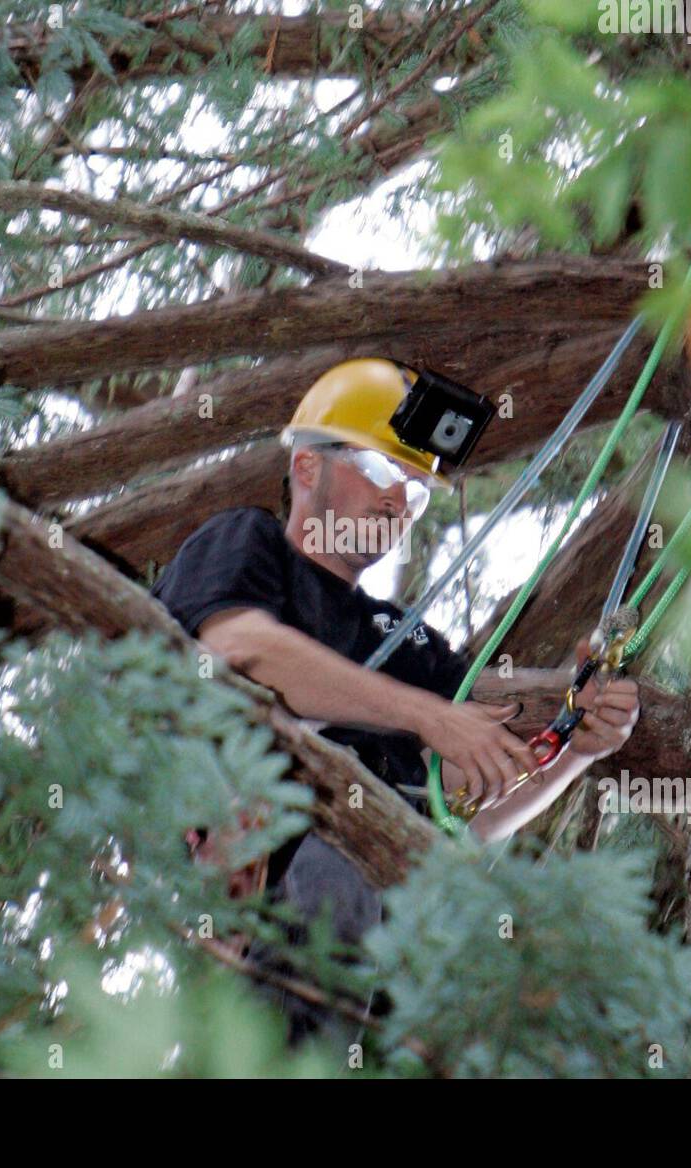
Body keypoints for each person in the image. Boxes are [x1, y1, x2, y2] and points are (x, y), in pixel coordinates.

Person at [152, 357, 640, 1041]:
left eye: (417, 493)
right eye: (382, 473)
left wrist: (576, 750)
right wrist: (427, 715)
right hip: (270, 883)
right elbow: (240, 650)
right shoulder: (248, 543)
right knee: (335, 874)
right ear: (307, 469)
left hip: (384, 929)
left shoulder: (411, 645)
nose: (398, 504)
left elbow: (462, 809)